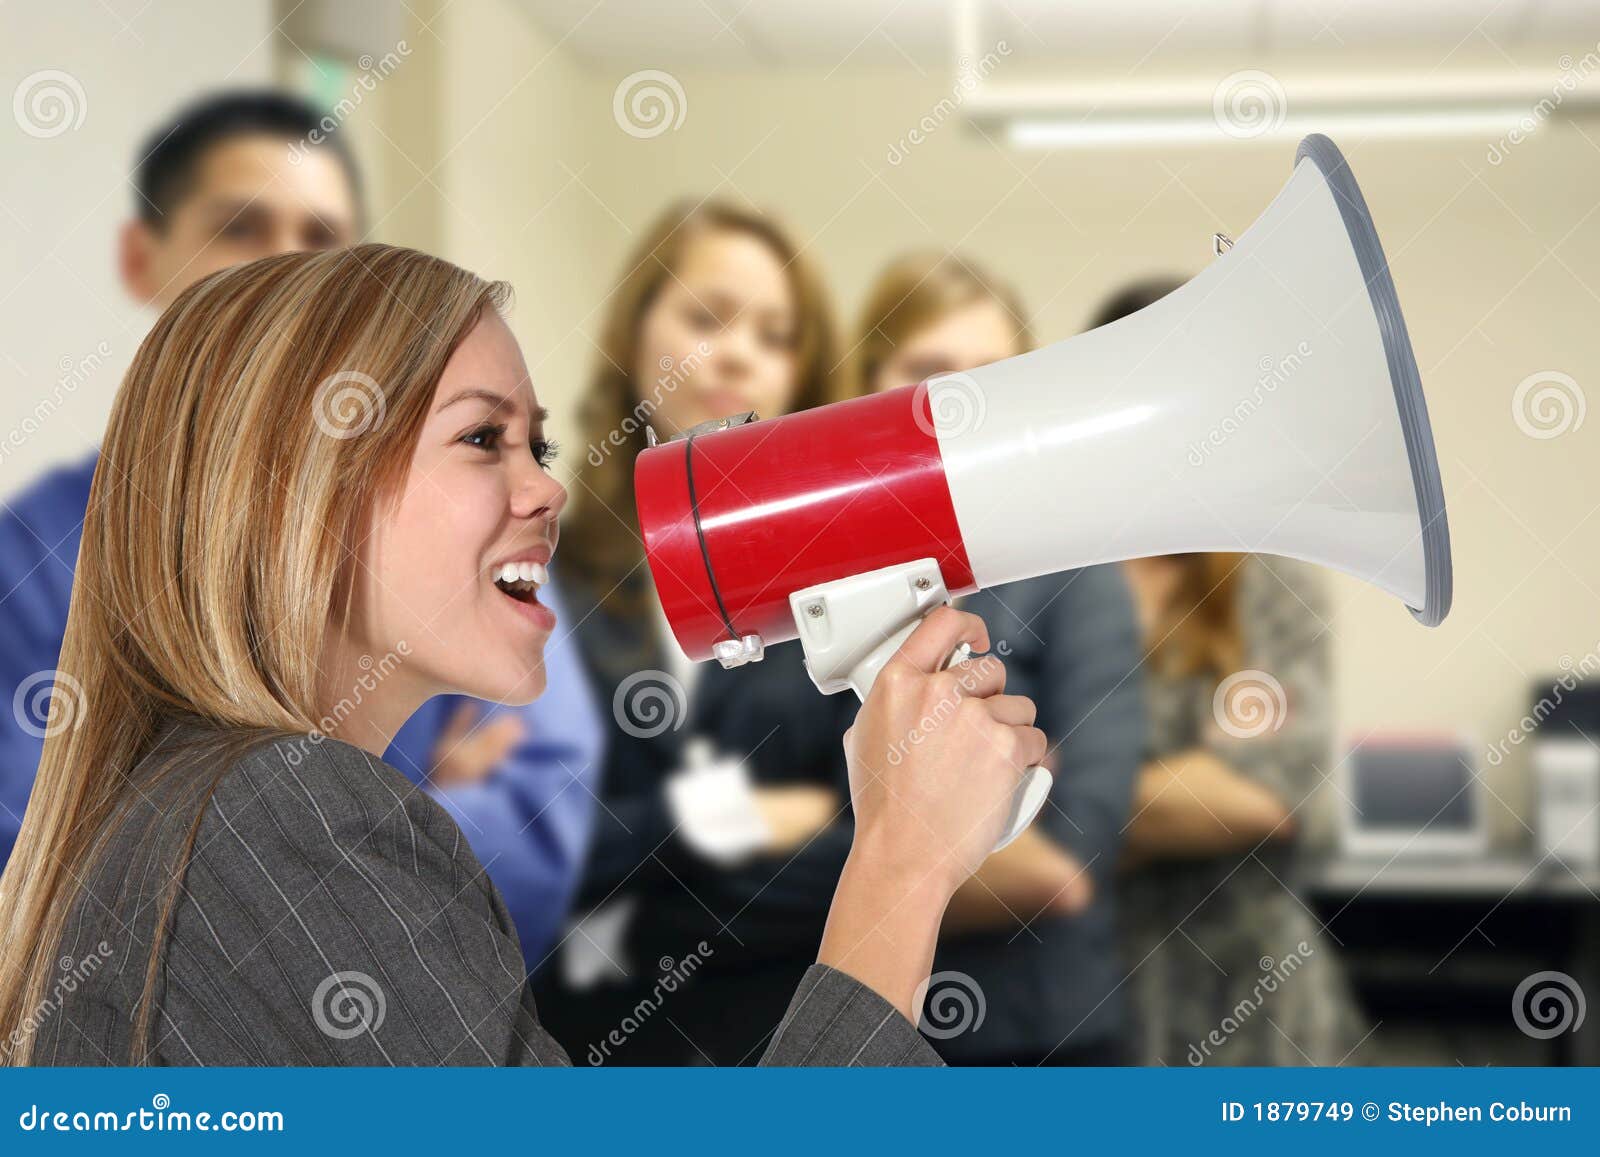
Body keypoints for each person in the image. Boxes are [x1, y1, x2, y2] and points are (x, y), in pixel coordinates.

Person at [0, 244, 1046, 1066]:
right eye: (480, 439)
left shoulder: (208, 808)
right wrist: (900, 866)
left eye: (536, 445)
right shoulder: (282, 815)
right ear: (292, 492)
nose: (546, 487)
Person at [0, 91, 602, 964]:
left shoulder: (248, 804)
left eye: (321, 240)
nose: (547, 488)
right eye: (241, 228)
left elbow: (546, 804)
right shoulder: (281, 821)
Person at [639, 252, 1146, 1066]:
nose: (966, 412)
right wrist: (937, 819)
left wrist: (849, 831)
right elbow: (718, 848)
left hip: (1042, 1044)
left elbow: (1061, 871)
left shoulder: (1081, 578)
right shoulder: (801, 578)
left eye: (992, 379)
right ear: (868, 390)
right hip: (836, 1039)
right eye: (932, 379)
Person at [533, 200, 848, 1059]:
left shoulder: (840, 584)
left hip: (782, 1052)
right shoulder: (539, 563)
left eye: (778, 335)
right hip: (576, 1055)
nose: (740, 351)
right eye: (706, 317)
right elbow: (518, 844)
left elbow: (868, 855)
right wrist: (721, 816)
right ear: (633, 333)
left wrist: (633, 892)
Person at [1099, 279, 1371, 1066]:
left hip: (1261, 1018)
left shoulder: (1273, 580)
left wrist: (1070, 803)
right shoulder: (1052, 579)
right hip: (1089, 1006)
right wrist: (1182, 788)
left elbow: (1271, 795)